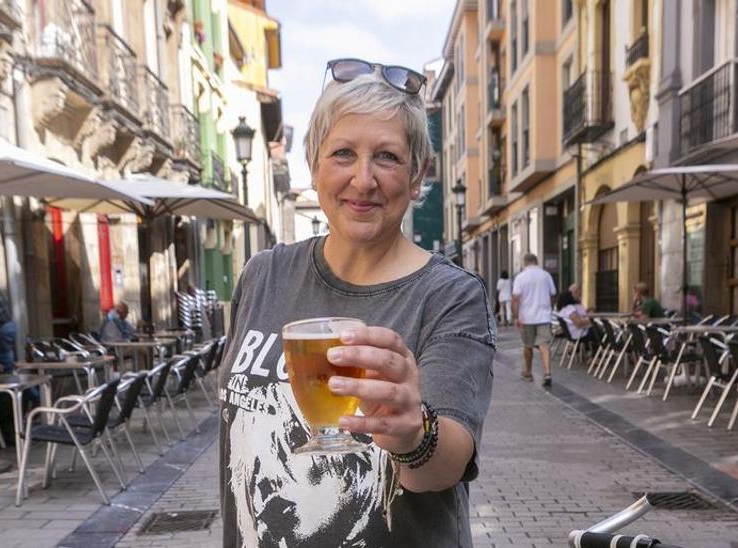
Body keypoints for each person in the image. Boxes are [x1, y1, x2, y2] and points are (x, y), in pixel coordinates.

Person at [219, 64, 495, 547]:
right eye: (343, 153)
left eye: (387, 157)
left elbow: (447, 463)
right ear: (314, 163)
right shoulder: (262, 274)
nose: (363, 180)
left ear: (417, 176)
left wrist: (415, 436)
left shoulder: (451, 296)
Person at [511, 253, 556, 386]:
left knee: (528, 346)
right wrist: (550, 309)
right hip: (544, 316)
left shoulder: (520, 277)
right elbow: (553, 294)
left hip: (527, 317)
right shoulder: (546, 275)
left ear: (525, 263)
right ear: (536, 262)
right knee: (544, 345)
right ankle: (547, 373)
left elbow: (515, 298)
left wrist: (515, 316)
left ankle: (528, 372)